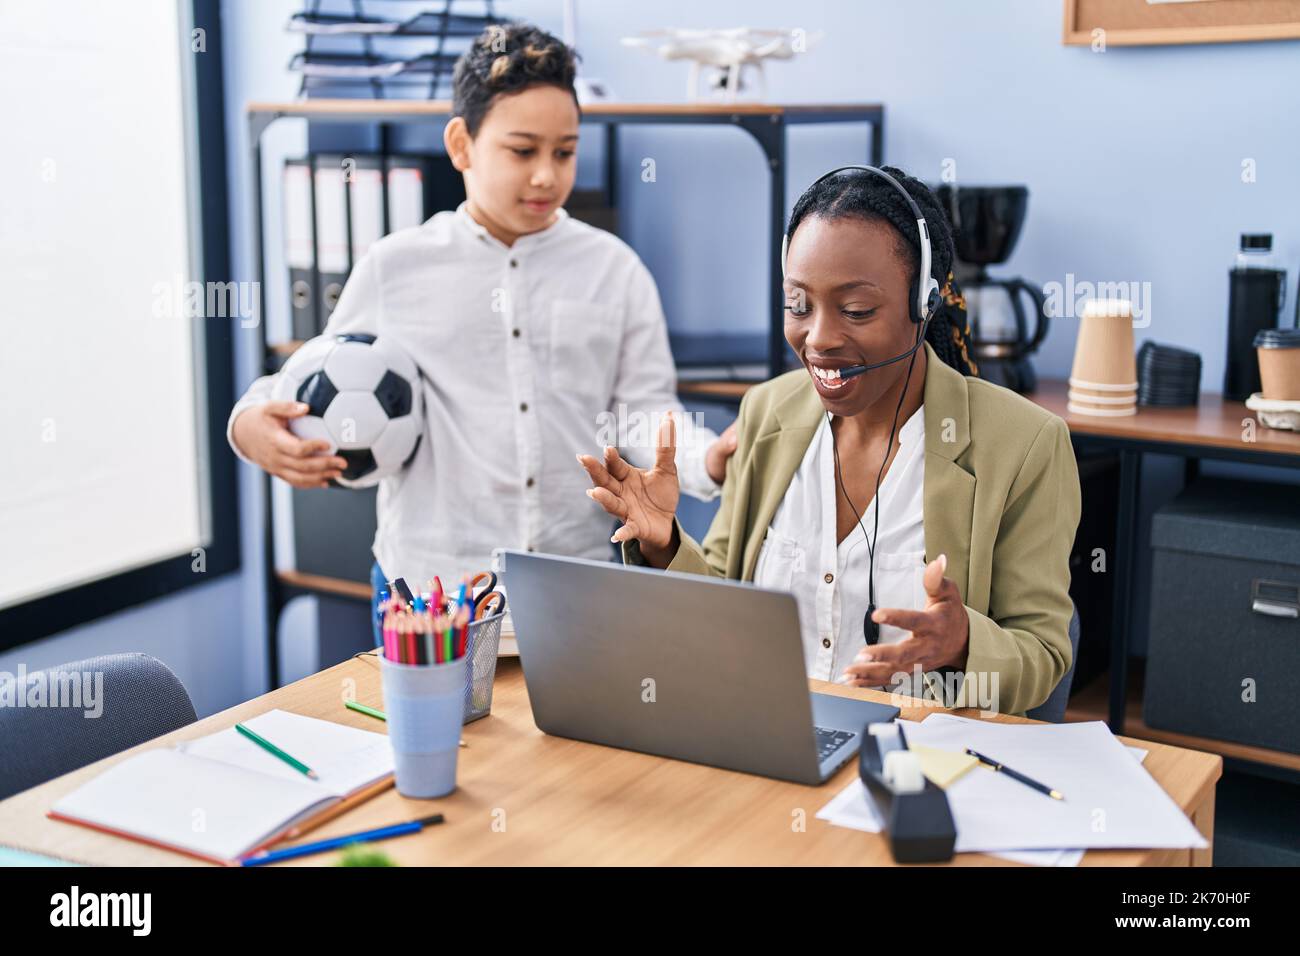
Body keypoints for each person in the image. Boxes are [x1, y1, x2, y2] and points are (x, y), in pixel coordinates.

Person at [227, 24, 737, 642]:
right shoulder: (396, 267)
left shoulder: (616, 271)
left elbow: (644, 417)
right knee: (441, 741)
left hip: (575, 590)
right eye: (523, 151)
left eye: (565, 152)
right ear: (461, 143)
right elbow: (303, 382)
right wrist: (251, 424)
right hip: (430, 593)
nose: (547, 176)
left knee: (570, 743)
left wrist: (706, 458)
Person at [578, 165, 1081, 717]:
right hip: (767, 734)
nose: (818, 338)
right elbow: (726, 595)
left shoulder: (1025, 445)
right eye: (799, 305)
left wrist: (963, 645)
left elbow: (1043, 655)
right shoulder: (768, 412)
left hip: (919, 758)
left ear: (923, 304)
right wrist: (664, 544)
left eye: (857, 310)